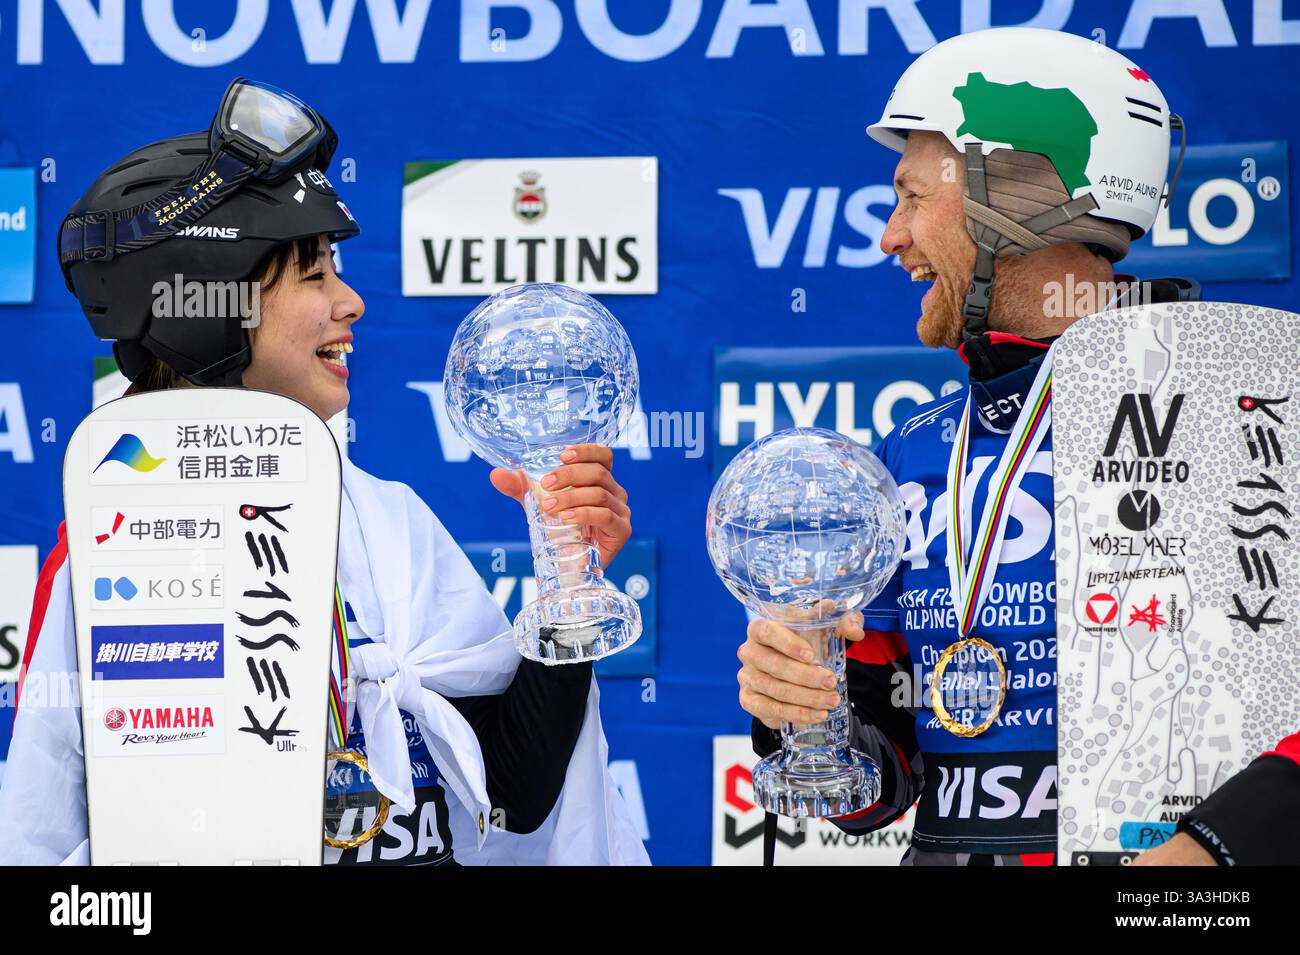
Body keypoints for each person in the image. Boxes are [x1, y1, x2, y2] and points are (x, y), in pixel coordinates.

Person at [0, 78, 647, 866]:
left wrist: (566, 587)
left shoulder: (392, 521)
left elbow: (509, 794)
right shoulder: (107, 559)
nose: (352, 302)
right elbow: (42, 841)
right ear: (210, 307)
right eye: (315, 275)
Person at [735, 27, 1299, 865]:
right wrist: (803, 717)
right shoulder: (912, 448)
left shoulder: (1250, 404)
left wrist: (1204, 857)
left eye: (912, 197)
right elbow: (880, 785)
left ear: (1020, 196)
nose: (891, 236)